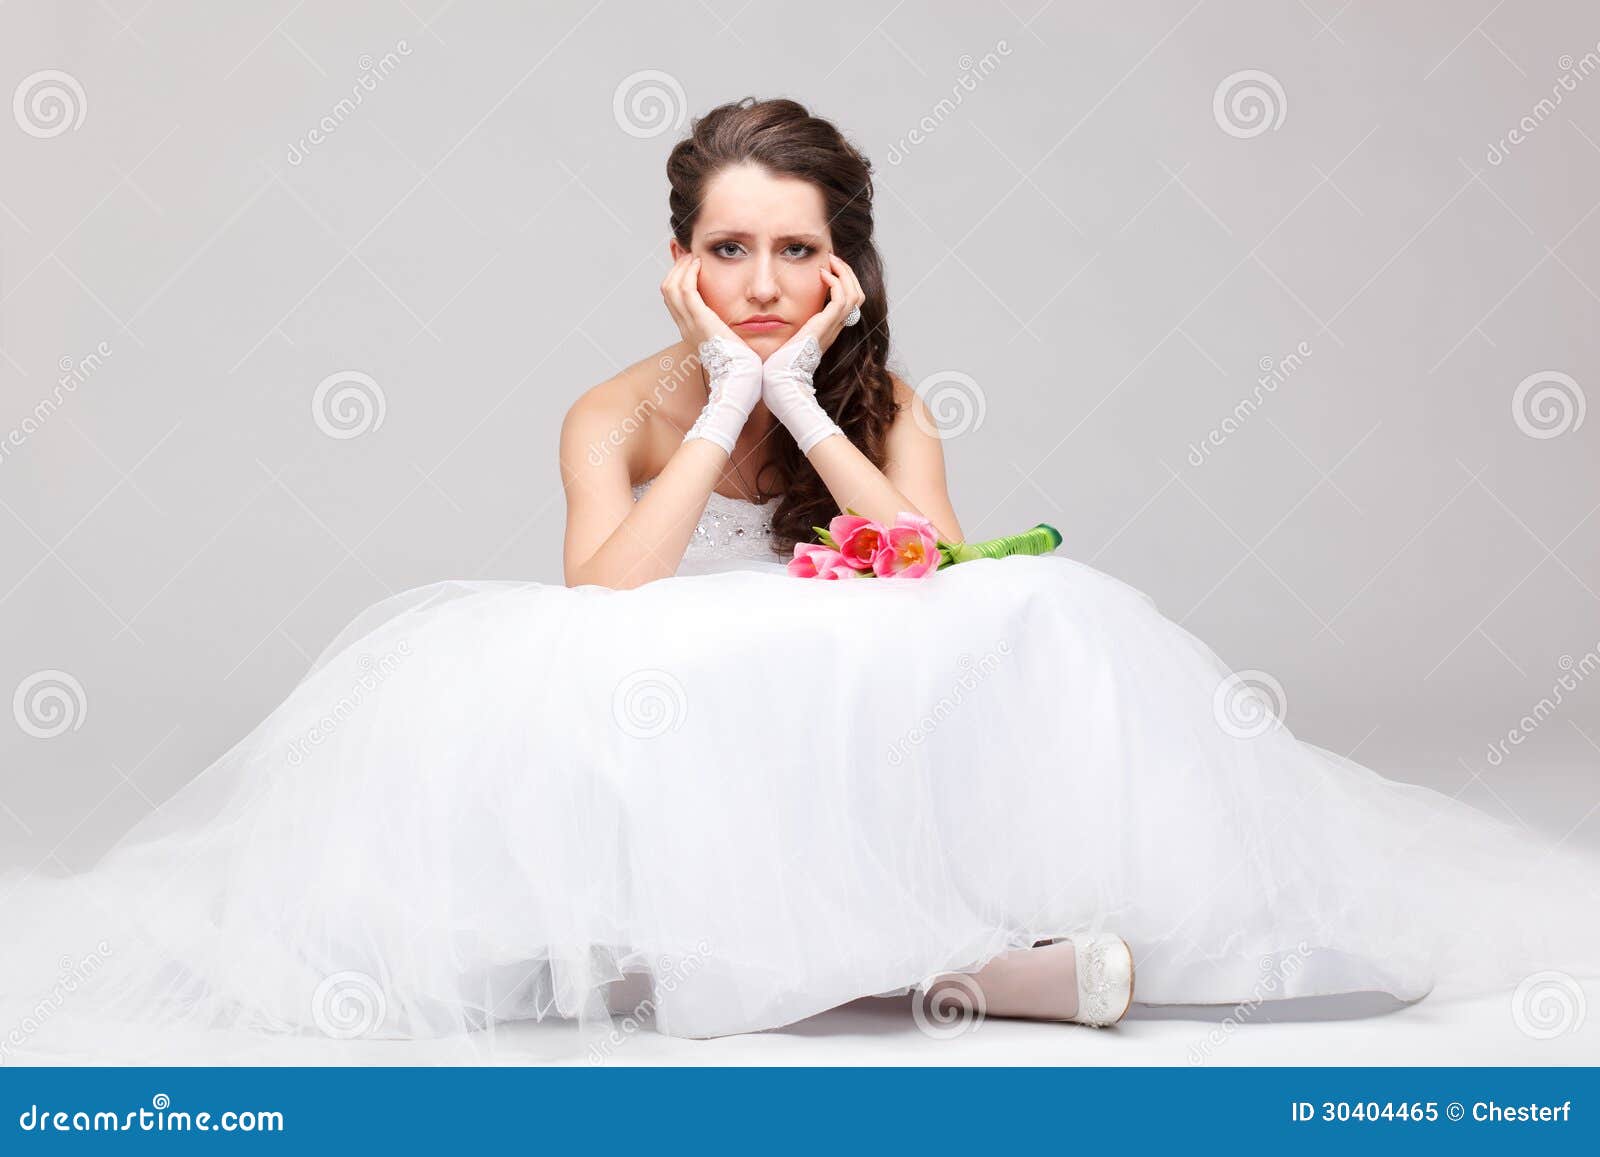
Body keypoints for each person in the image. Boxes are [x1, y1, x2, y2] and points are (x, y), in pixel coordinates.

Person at [2, 98, 1598, 1059]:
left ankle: (934, 957)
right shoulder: (611, 411)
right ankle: (936, 973)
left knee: (1031, 598)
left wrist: (802, 401)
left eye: (790, 252)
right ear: (678, 256)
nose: (757, 283)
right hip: (657, 715)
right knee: (666, 661)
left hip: (851, 725)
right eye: (725, 250)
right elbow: (601, 596)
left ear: (843, 265)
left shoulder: (883, 393)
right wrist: (719, 404)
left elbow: (933, 565)